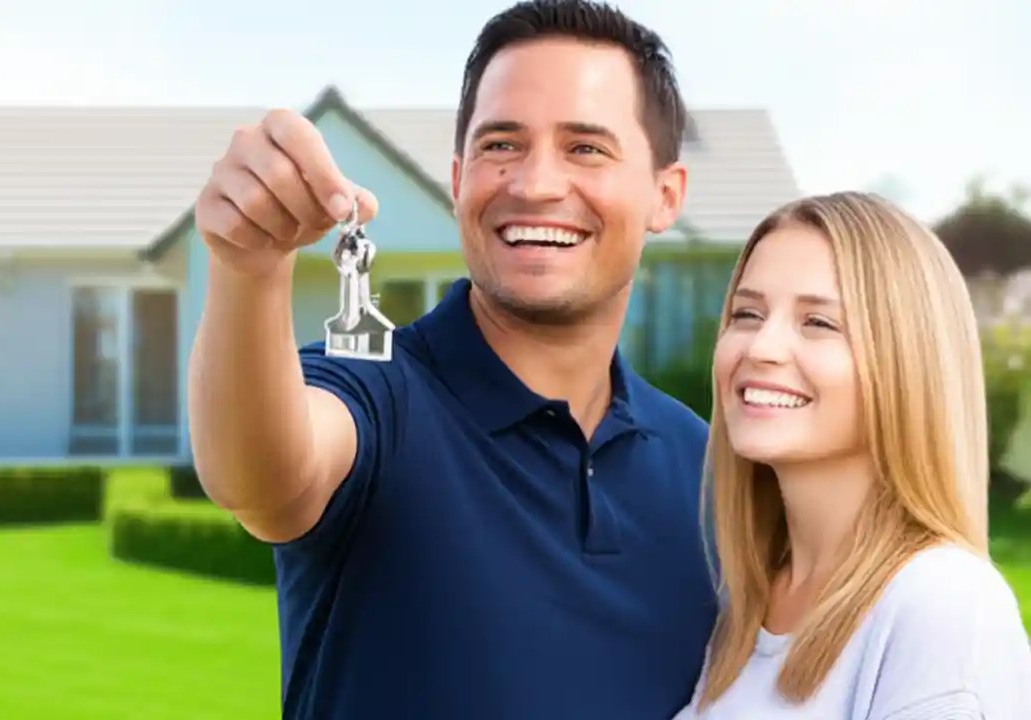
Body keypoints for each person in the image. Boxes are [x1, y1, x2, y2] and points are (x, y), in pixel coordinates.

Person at [188, 1, 717, 717]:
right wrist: (249, 270)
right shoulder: (378, 396)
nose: (534, 184)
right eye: (502, 144)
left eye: (585, 148)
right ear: (458, 177)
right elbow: (261, 477)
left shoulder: (706, 466)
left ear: (665, 194)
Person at [673, 191, 1031, 719]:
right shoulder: (743, 608)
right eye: (747, 314)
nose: (760, 347)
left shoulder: (943, 605)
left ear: (906, 362)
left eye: (818, 323)